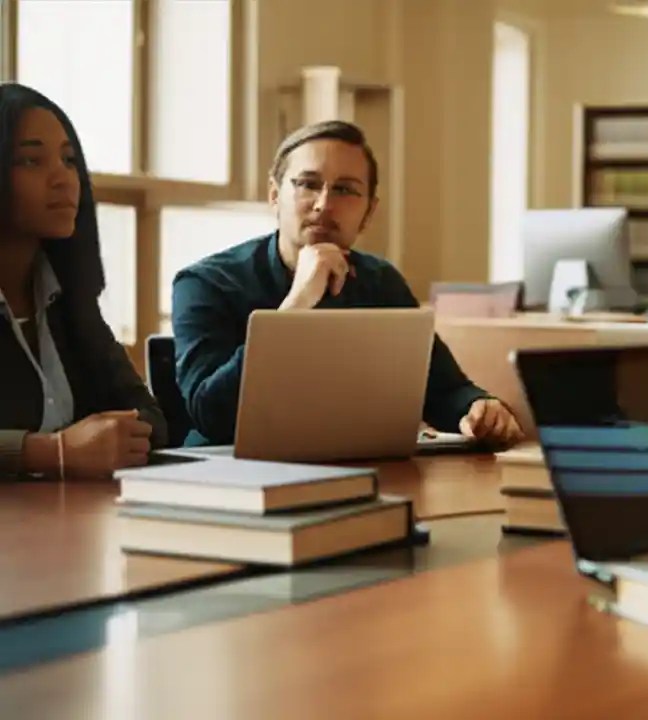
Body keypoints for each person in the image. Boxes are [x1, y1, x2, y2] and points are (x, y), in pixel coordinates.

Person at [171, 120, 521, 448]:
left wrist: (480, 408)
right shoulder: (205, 283)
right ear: (275, 195)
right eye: (307, 184)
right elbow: (211, 415)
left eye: (345, 190)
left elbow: (442, 389)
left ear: (368, 212)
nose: (324, 204)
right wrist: (295, 306)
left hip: (355, 469)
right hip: (229, 481)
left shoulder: (380, 282)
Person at [0, 83, 165, 479]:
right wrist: (51, 451)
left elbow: (152, 418)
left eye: (69, 160)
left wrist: (110, 436)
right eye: (32, 161)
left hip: (60, 525)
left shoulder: (66, 297)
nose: (63, 178)